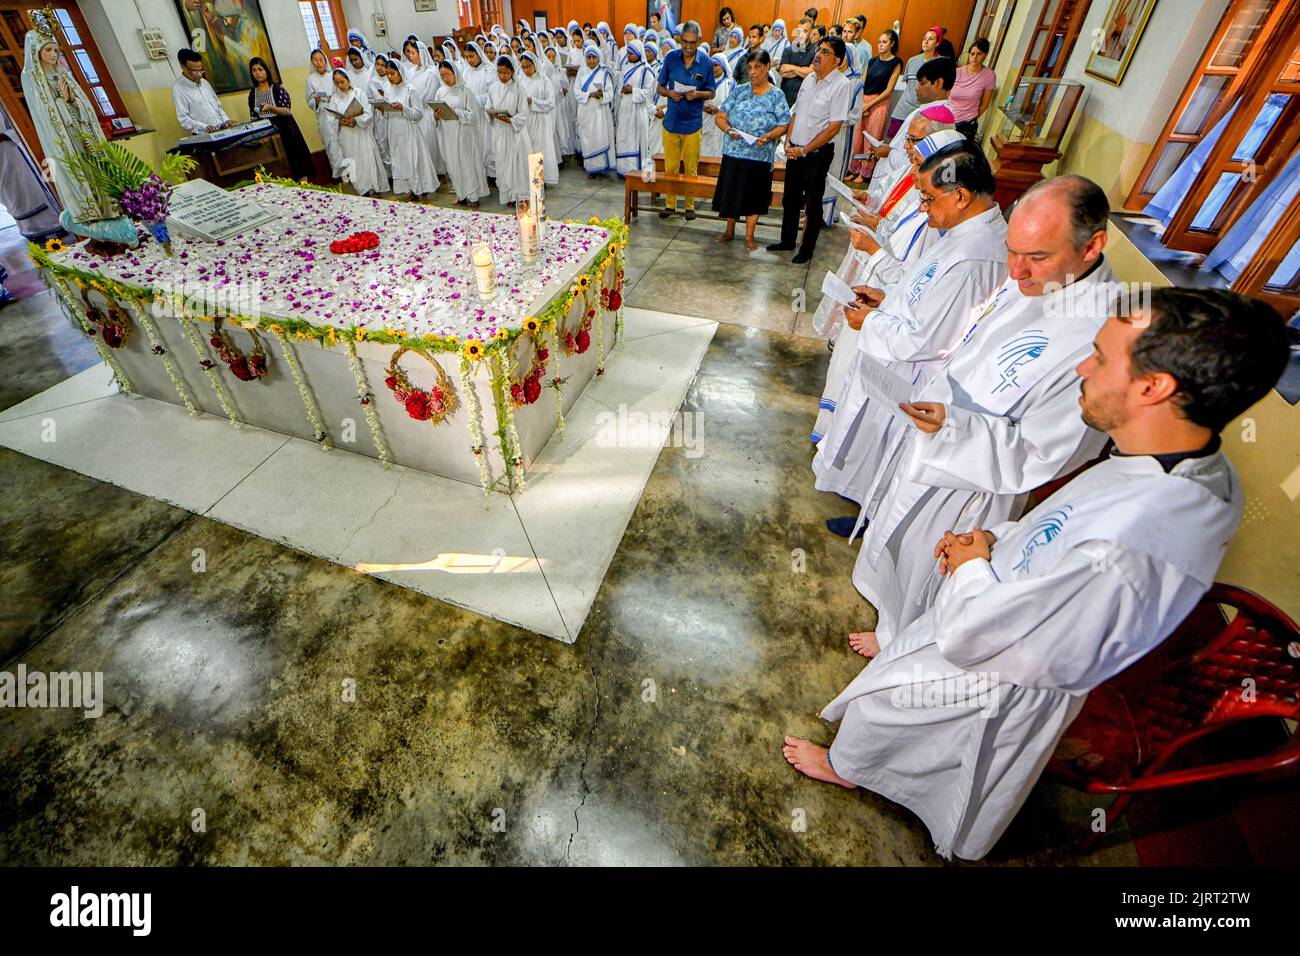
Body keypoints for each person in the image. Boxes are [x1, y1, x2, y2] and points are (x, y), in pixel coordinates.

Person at [786, 286, 1290, 862]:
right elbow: (1061, 536)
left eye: (1100, 358)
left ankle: (852, 768)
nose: (1081, 366)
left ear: (1155, 388)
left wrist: (973, 568)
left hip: (1001, 665)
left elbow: (1009, 637)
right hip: (1002, 608)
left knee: (892, 712)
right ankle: (868, 764)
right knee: (906, 716)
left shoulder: (1138, 535)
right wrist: (996, 542)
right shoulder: (1181, 461)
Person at [848, 176, 1118, 658]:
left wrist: (954, 427)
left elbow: (1046, 453)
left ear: (1091, 246)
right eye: (1013, 251)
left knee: (928, 569)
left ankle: (903, 644)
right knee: (896, 546)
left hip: (972, 478)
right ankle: (891, 626)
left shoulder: (1100, 336)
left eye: (1036, 257)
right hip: (934, 429)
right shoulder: (1034, 279)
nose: (1015, 273)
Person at [812, 142, 1009, 509]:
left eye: (930, 198)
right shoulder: (962, 233)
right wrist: (887, 297)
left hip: (909, 369)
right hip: (894, 351)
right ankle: (861, 503)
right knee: (865, 444)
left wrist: (869, 321)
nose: (924, 208)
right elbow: (926, 293)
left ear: (961, 196)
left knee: (880, 449)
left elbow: (928, 340)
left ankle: (867, 509)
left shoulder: (974, 257)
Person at [811, 128, 963, 448]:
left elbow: (918, 277)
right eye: (911, 144)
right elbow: (895, 224)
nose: (910, 154)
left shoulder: (939, 219)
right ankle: (830, 435)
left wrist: (875, 250)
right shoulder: (918, 188)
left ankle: (839, 440)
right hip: (878, 289)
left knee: (857, 375)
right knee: (844, 365)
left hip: (890, 307)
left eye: (919, 155)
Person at [20, 30, 120, 229]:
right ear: (36, 51)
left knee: (93, 166)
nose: (53, 54)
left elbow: (81, 102)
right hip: (63, 135)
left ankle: (108, 208)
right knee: (77, 168)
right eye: (48, 49)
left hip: (80, 129)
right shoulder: (31, 77)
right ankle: (89, 213)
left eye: (56, 50)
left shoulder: (63, 73)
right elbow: (43, 111)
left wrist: (72, 100)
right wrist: (62, 101)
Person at [767, 36, 851, 263]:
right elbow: (795, 112)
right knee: (790, 199)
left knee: (813, 203)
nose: (818, 55)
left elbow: (834, 127)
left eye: (825, 52)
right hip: (795, 149)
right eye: (819, 50)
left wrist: (804, 149)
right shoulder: (809, 80)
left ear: (837, 60)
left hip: (816, 154)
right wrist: (788, 140)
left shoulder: (841, 85)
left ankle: (806, 248)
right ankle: (787, 241)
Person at [711, 50, 790, 251]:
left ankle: (749, 236)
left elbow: (784, 124)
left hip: (759, 156)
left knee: (753, 195)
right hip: (734, 152)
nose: (753, 72)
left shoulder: (776, 95)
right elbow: (720, 116)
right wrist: (728, 129)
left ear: (767, 67)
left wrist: (769, 136)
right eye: (750, 68)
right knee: (731, 192)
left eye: (758, 67)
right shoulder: (739, 90)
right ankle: (729, 230)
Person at [863, 55, 954, 207]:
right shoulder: (925, 111)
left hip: (904, 190)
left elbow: (918, 162)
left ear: (938, 83)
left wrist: (888, 152)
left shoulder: (935, 121)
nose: (917, 88)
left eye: (922, 83)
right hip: (892, 181)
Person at [656, 20, 717, 220]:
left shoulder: (706, 63)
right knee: (671, 166)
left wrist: (697, 95)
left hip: (692, 123)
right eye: (684, 42)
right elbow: (660, 87)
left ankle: (689, 206)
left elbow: (711, 92)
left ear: (699, 40)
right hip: (672, 121)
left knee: (691, 166)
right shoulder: (671, 58)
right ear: (680, 39)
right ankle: (670, 205)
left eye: (692, 43)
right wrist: (670, 93)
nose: (688, 47)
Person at [845, 30, 902, 183]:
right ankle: (854, 168)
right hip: (864, 99)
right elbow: (862, 81)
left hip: (879, 101)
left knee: (871, 138)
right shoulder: (872, 61)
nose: (880, 45)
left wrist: (869, 105)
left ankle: (865, 173)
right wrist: (860, 103)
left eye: (884, 42)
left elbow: (889, 90)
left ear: (892, 44)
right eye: (879, 42)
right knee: (856, 138)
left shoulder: (896, 63)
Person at [432, 61, 489, 207]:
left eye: (448, 75)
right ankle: (460, 194)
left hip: (464, 134)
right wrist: (436, 116)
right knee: (453, 165)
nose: (445, 78)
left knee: (466, 164)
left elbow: (474, 115)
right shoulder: (440, 92)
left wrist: (456, 112)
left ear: (455, 73)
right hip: (448, 134)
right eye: (442, 75)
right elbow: (437, 112)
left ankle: (473, 196)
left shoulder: (465, 92)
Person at [246, 57, 312, 181]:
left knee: (297, 163)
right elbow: (253, 117)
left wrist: (271, 108)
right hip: (268, 133)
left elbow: (287, 111)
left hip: (286, 130)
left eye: (260, 69)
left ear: (266, 70)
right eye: (254, 70)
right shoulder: (252, 94)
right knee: (281, 167)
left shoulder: (277, 88)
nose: (257, 73)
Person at [381, 57, 439, 199]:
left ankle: (423, 192)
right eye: (387, 73)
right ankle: (411, 190)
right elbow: (388, 113)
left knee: (415, 160)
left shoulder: (411, 90)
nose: (389, 77)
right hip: (394, 131)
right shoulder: (388, 90)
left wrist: (403, 108)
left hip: (409, 131)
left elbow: (419, 114)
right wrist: (384, 110)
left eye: (392, 73)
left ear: (400, 72)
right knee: (402, 161)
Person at [328, 69, 388, 197]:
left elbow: (368, 113)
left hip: (361, 133)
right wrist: (340, 122)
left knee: (367, 160)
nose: (340, 85)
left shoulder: (358, 93)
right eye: (337, 83)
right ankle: (363, 190)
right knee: (354, 164)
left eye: (342, 82)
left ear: (348, 80)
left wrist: (355, 120)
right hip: (347, 137)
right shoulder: (334, 99)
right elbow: (331, 119)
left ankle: (374, 189)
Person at [488, 55, 533, 202]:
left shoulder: (519, 89)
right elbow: (488, 107)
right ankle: (507, 196)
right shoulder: (493, 88)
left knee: (518, 166)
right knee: (502, 164)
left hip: (515, 133)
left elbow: (523, 113)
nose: (502, 76)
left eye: (506, 73)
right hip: (500, 132)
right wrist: (492, 113)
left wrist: (510, 120)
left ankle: (520, 196)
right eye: (499, 73)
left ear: (512, 72)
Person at [889, 27, 944, 138]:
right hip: (903, 109)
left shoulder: (940, 63)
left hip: (923, 112)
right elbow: (908, 85)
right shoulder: (912, 60)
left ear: (937, 43)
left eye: (931, 39)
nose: (926, 41)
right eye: (924, 38)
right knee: (893, 142)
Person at [614, 41, 657, 175]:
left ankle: (637, 170)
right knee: (624, 138)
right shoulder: (625, 68)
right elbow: (619, 88)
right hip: (625, 108)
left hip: (638, 111)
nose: (629, 56)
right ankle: (624, 169)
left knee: (636, 140)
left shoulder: (646, 70)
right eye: (627, 53)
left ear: (639, 53)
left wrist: (633, 90)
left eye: (631, 53)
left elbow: (650, 92)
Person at [575, 44, 616, 178]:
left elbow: (610, 93)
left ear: (598, 58)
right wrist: (589, 95)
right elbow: (576, 92)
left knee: (599, 138)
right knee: (588, 141)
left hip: (599, 112)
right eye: (589, 57)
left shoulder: (604, 73)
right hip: (586, 111)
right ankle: (591, 169)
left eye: (594, 57)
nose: (591, 60)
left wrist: (602, 94)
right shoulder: (581, 73)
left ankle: (600, 169)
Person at [518, 52, 559, 184]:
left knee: (540, 150)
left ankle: (541, 179)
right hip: (526, 120)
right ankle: (531, 179)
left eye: (528, 66)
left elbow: (551, 102)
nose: (526, 70)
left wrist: (534, 102)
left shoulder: (544, 80)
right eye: (523, 67)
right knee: (528, 149)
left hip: (540, 120)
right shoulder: (520, 80)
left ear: (535, 64)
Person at [172, 48, 233, 135]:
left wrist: (226, 120)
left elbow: (217, 106)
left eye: (200, 70)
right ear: (182, 66)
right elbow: (184, 119)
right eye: (193, 71)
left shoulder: (204, 83)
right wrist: (205, 127)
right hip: (204, 134)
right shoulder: (178, 88)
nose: (198, 74)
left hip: (222, 128)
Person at [951, 38, 997, 140]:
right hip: (948, 120)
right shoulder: (957, 72)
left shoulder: (989, 75)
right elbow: (945, 96)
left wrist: (971, 117)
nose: (974, 57)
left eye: (979, 54)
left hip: (967, 124)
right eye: (972, 54)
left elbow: (984, 105)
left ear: (985, 55)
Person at [699, 53, 733, 158]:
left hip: (722, 125)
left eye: (716, 65)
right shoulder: (703, 82)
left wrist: (718, 108)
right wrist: (703, 107)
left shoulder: (731, 84)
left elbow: (733, 104)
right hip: (705, 123)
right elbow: (693, 99)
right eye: (711, 65)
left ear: (723, 66)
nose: (713, 68)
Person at [776, 18, 817, 107]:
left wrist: (791, 67)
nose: (801, 35)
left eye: (805, 31)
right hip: (787, 96)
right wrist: (804, 71)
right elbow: (783, 72)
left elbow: (812, 73)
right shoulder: (788, 50)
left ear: (811, 33)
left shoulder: (816, 51)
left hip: (806, 97)